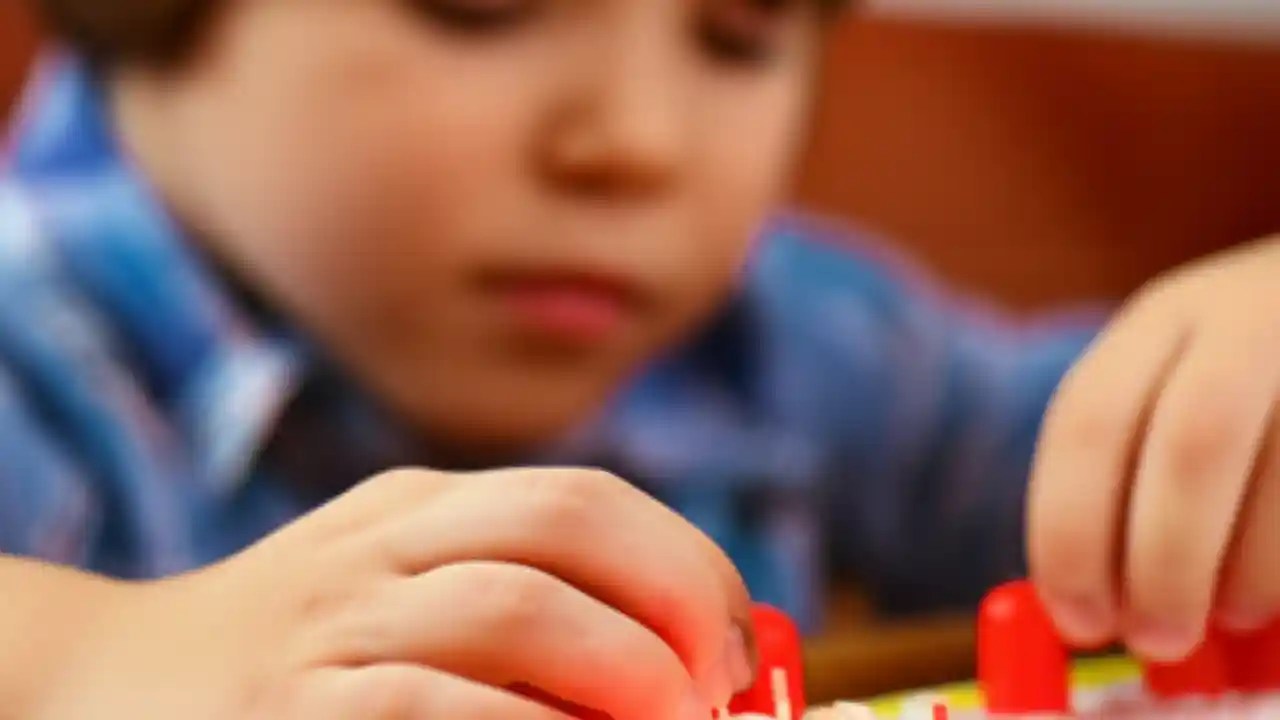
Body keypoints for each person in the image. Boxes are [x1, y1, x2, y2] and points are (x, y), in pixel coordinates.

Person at [1, 0, 1278, 716]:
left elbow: (1166, 495)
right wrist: (85, 659)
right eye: (482, 9)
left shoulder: (786, 337)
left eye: (734, 38)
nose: (636, 140)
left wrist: (1238, 388)